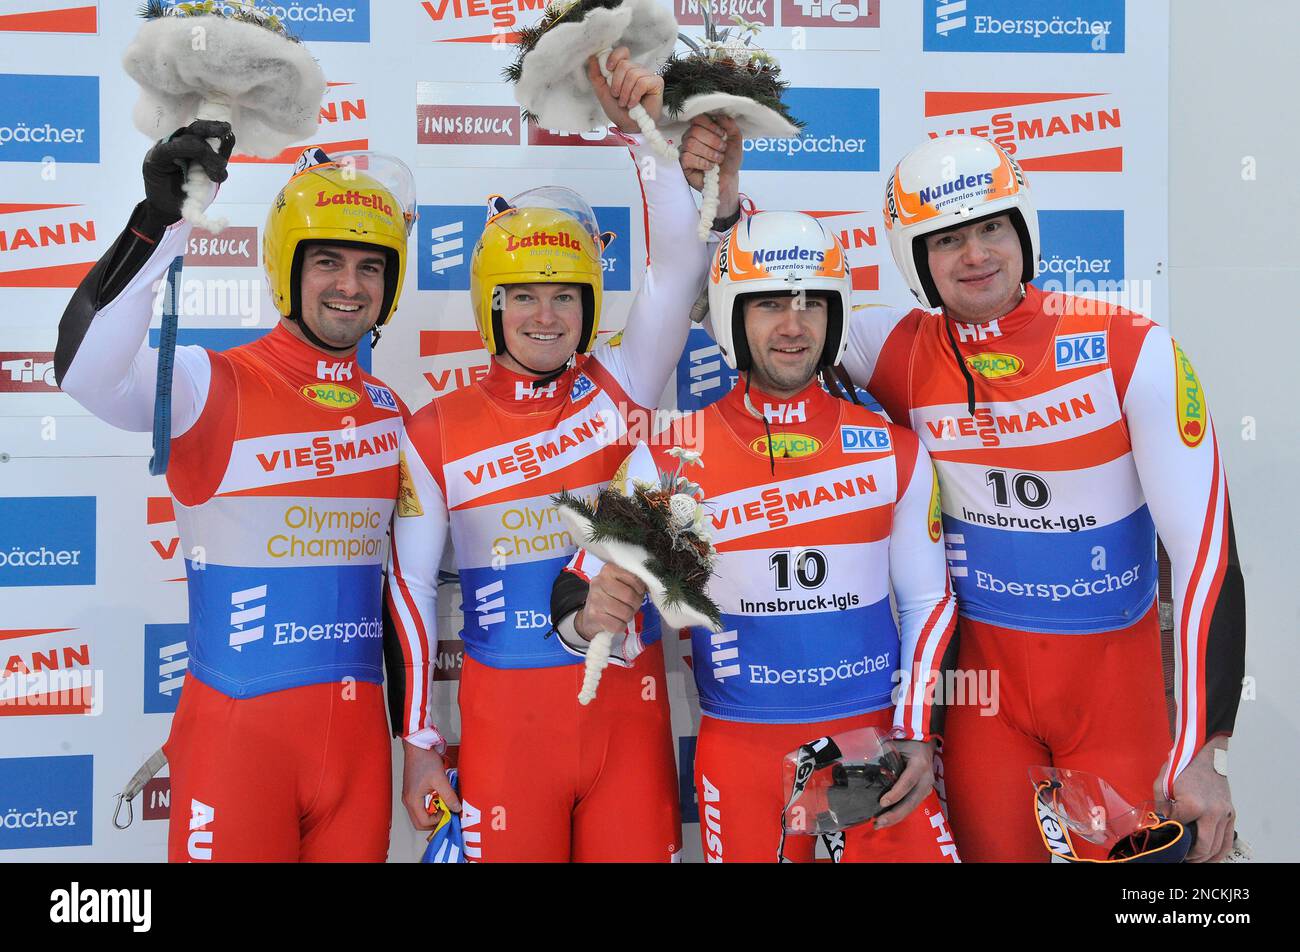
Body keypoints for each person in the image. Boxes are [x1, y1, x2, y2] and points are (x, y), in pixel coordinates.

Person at [840, 134, 1246, 862]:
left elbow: (1206, 552)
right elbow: (772, 318)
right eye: (948, 238)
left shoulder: (1131, 348)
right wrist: (725, 210)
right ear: (914, 259)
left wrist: (1203, 749)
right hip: (982, 711)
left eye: (993, 226)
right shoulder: (892, 347)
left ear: (1023, 229)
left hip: (1115, 704)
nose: (976, 254)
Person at [384, 49, 744, 862]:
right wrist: (417, 740)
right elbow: (406, 592)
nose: (544, 316)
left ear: (589, 307)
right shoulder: (433, 429)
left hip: (628, 715)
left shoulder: (620, 382)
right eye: (524, 296)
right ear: (492, 305)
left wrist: (644, 141)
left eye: (566, 295)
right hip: (511, 728)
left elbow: (680, 264)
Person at [550, 211, 961, 863]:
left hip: (870, 754)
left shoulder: (892, 451)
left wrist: (916, 728)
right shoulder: (671, 454)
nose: (793, 326)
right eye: (769, 303)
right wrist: (593, 618)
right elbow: (575, 591)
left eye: (810, 304)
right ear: (731, 313)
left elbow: (928, 602)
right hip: (743, 761)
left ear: (836, 314)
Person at [56, 123, 417, 861]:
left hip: (357, 753)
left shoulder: (394, 415)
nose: (350, 285)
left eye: (369, 267)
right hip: (236, 745)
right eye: (326, 262)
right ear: (286, 269)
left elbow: (404, 591)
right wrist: (157, 226)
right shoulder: (207, 382)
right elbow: (85, 373)